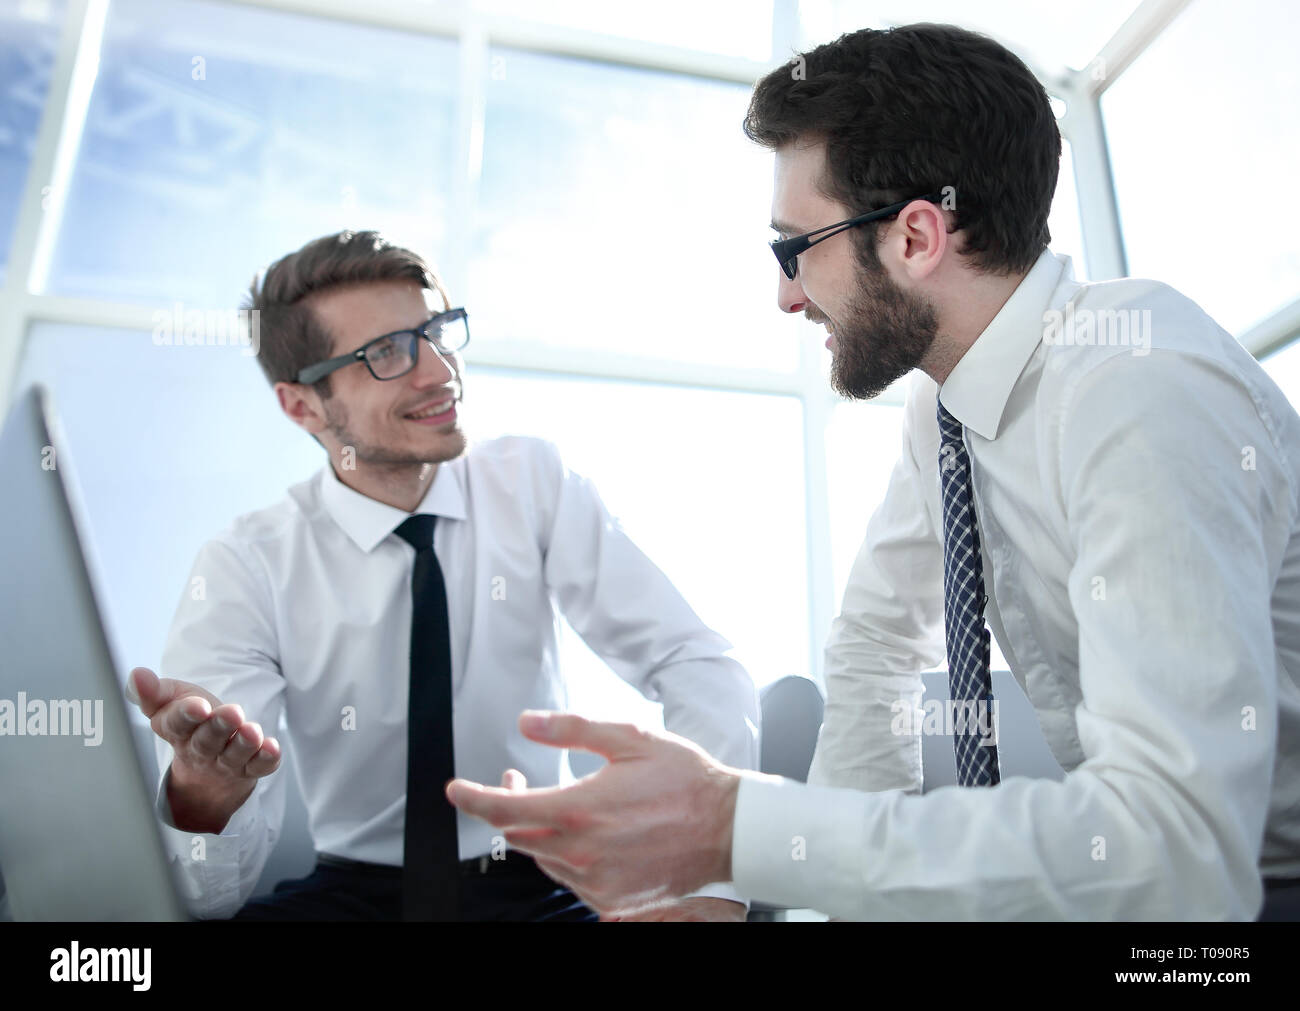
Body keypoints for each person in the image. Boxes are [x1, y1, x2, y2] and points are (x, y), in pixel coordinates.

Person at [446, 22, 1300, 921]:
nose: (784, 294)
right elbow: (876, 646)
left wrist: (736, 826)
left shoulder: (1136, 384)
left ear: (917, 236)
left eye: (794, 248)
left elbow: (1178, 854)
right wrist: (777, 892)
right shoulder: (949, 407)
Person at [126, 230, 757, 922]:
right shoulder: (248, 562)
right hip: (351, 898)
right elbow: (203, 895)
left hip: (542, 883)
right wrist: (203, 797)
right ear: (303, 406)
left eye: (437, 332)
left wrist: (709, 883)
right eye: (387, 353)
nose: (438, 370)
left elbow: (693, 660)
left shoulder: (532, 482)